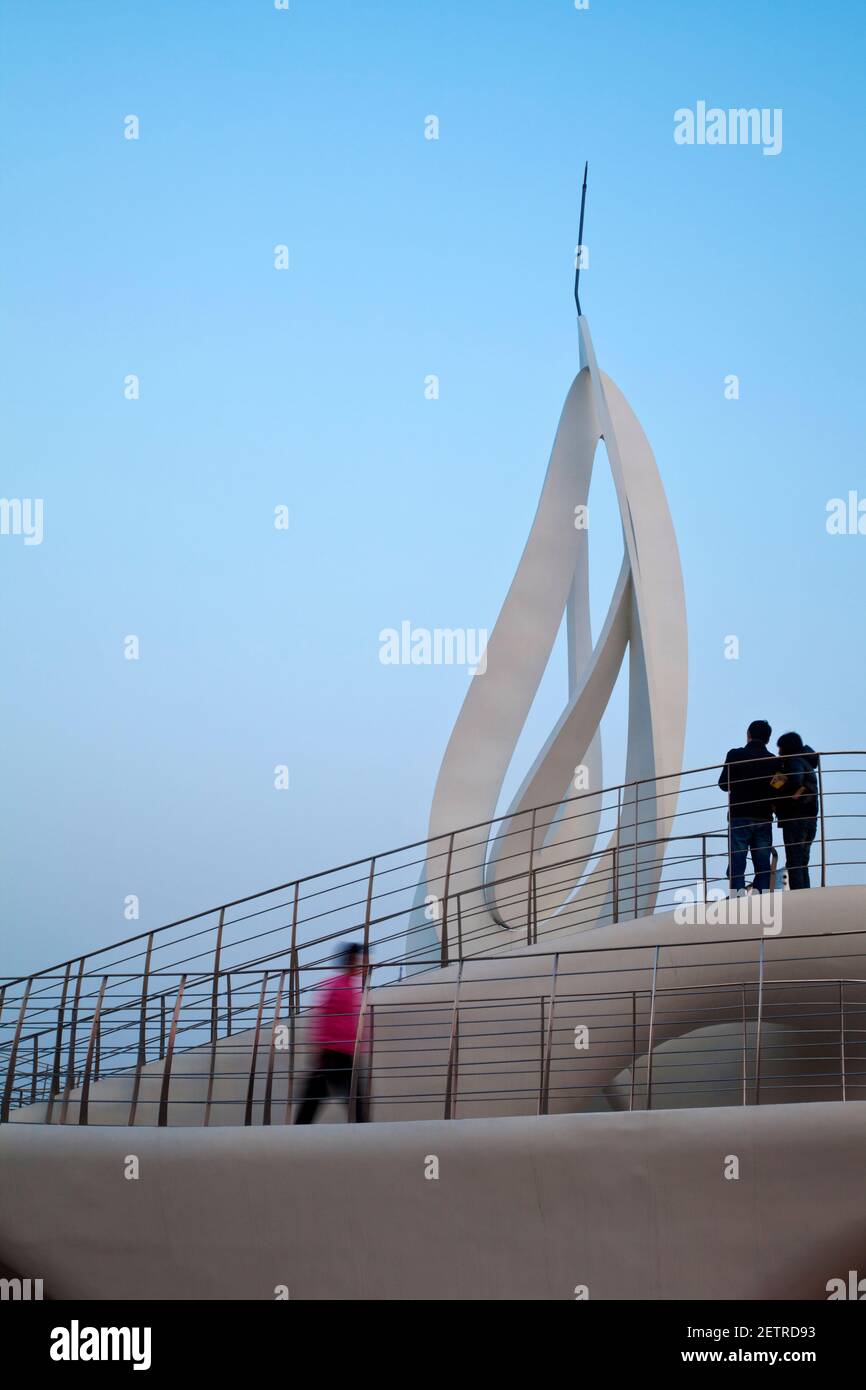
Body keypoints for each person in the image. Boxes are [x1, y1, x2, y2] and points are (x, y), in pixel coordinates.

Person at [295, 942, 369, 1124]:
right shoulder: (339, 985)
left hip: (341, 1054)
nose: (365, 965)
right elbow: (321, 1017)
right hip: (334, 1054)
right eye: (362, 960)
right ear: (353, 961)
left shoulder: (349, 985)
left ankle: (297, 1133)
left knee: (317, 1099)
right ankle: (364, 1136)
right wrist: (319, 1046)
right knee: (353, 1102)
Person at [718, 720, 779, 893]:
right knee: (762, 864)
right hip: (764, 817)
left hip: (740, 816)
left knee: (737, 862)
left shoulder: (735, 755)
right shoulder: (774, 761)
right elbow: (779, 787)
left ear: (748, 735)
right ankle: (762, 897)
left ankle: (737, 897)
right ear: (767, 739)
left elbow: (723, 784)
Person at [772, 732, 819, 890]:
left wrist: (776, 782)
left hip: (796, 818)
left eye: (780, 749)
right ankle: (806, 893)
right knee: (802, 861)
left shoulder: (795, 761)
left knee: (794, 861)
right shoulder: (807, 762)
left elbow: (795, 780)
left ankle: (799, 894)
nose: (778, 753)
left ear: (787, 748)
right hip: (810, 819)